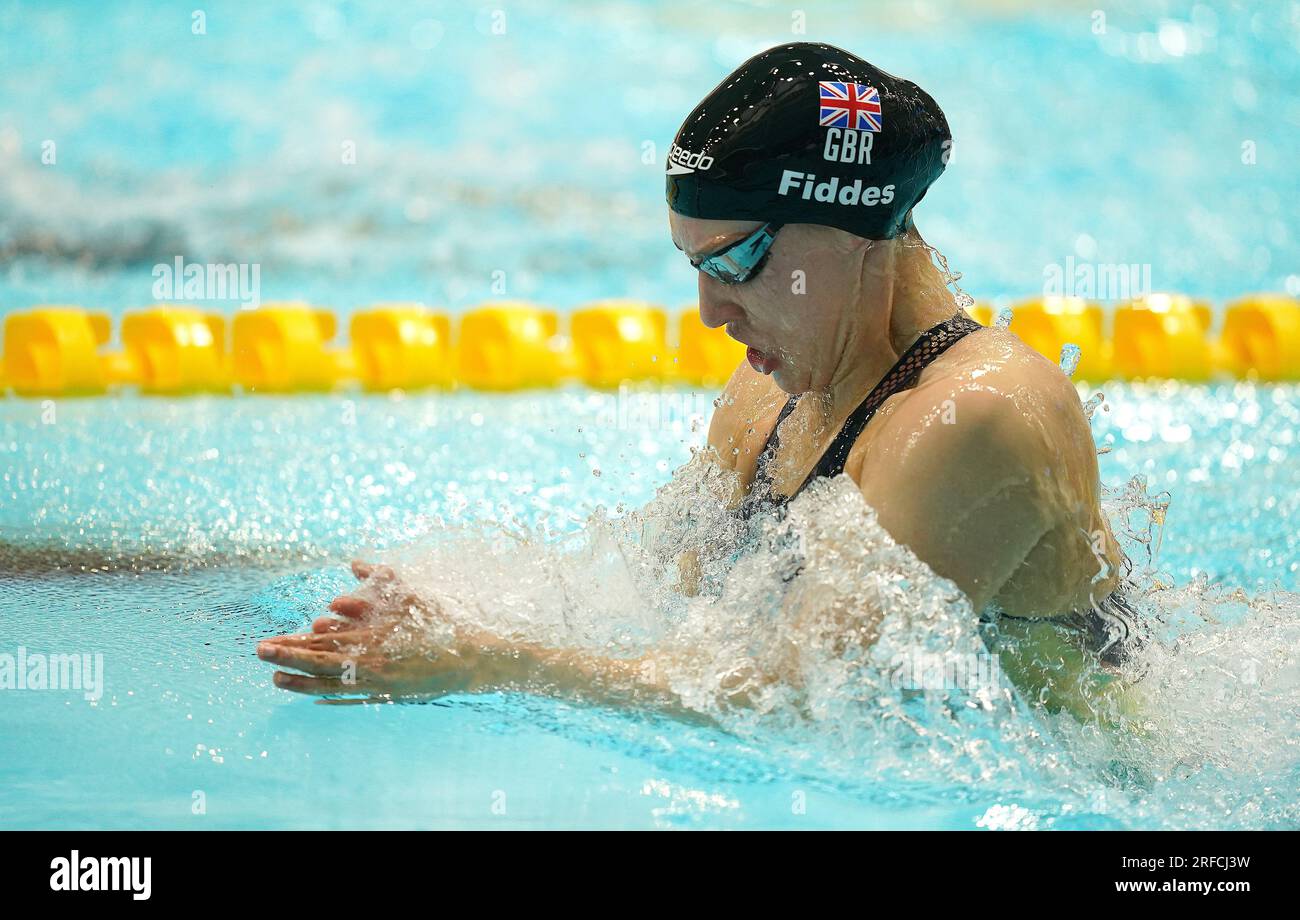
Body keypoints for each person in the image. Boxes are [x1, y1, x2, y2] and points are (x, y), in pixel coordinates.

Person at [258, 43, 1143, 720]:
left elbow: (804, 699)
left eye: (740, 259)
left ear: (852, 227)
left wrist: (490, 661)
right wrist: (442, 618)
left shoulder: (976, 415)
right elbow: (658, 605)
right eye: (693, 265)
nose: (711, 312)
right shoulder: (772, 396)